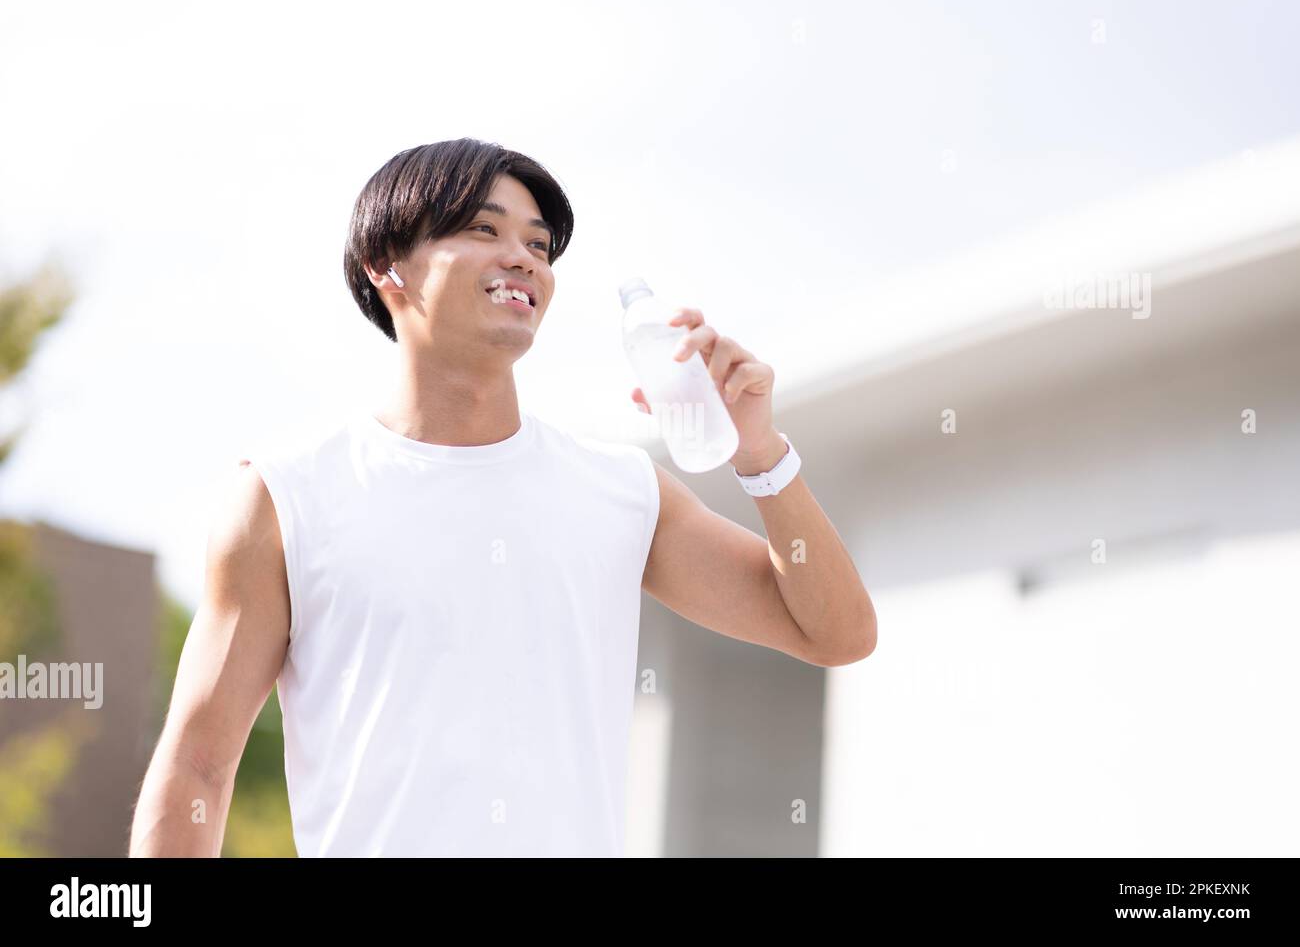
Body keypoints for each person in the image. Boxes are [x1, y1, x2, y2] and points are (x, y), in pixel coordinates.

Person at [128, 138, 876, 857]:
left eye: (539, 245)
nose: (523, 257)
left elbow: (836, 633)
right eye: (483, 229)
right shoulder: (285, 496)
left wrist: (761, 456)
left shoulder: (622, 491)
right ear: (386, 265)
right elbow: (199, 763)